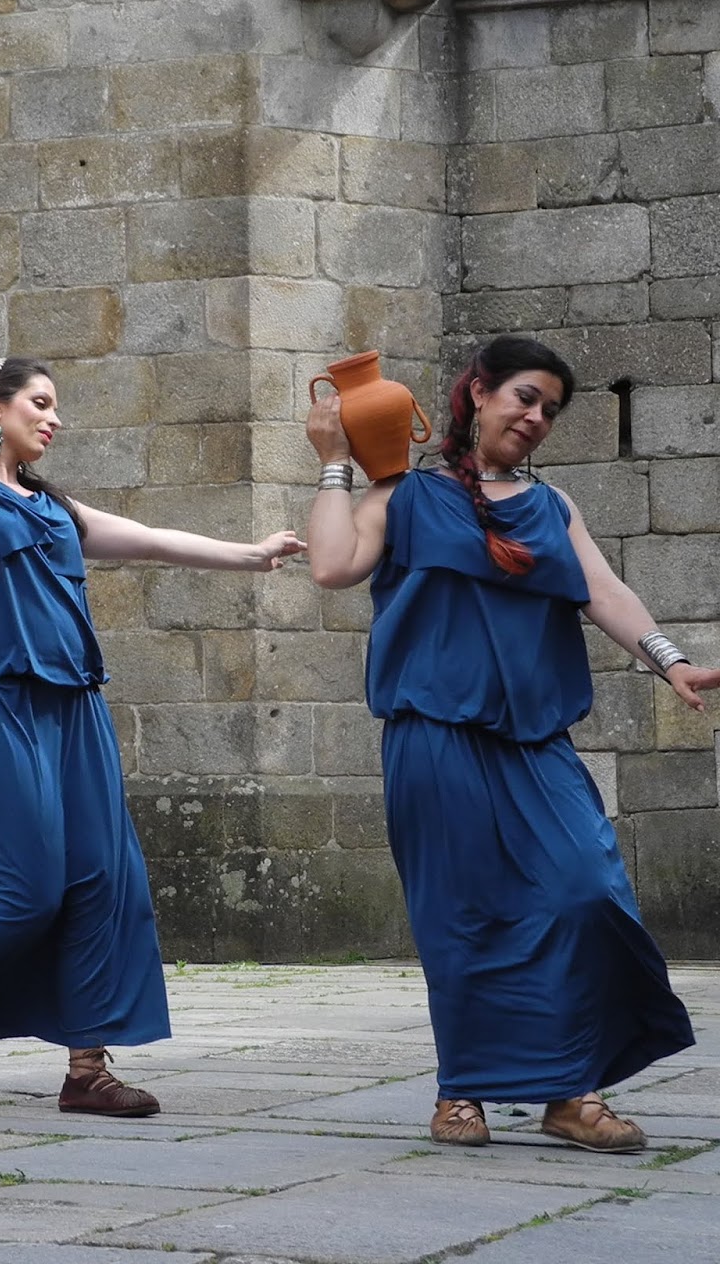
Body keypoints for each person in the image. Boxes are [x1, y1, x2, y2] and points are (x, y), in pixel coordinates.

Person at [0, 356, 305, 1116]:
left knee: (103, 879)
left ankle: (87, 1069)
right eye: (39, 403)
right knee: (24, 889)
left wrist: (250, 554)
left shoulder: (52, 506)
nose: (54, 418)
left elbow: (150, 539)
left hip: (77, 711)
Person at [305, 334, 712, 1152]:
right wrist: (334, 462)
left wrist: (670, 660)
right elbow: (332, 565)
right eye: (526, 397)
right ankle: (465, 1091)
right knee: (463, 915)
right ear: (479, 393)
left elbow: (603, 590)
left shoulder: (553, 506)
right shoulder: (405, 495)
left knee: (585, 892)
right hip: (434, 735)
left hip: (535, 740)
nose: (536, 417)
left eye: (550, 410)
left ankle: (569, 1089)